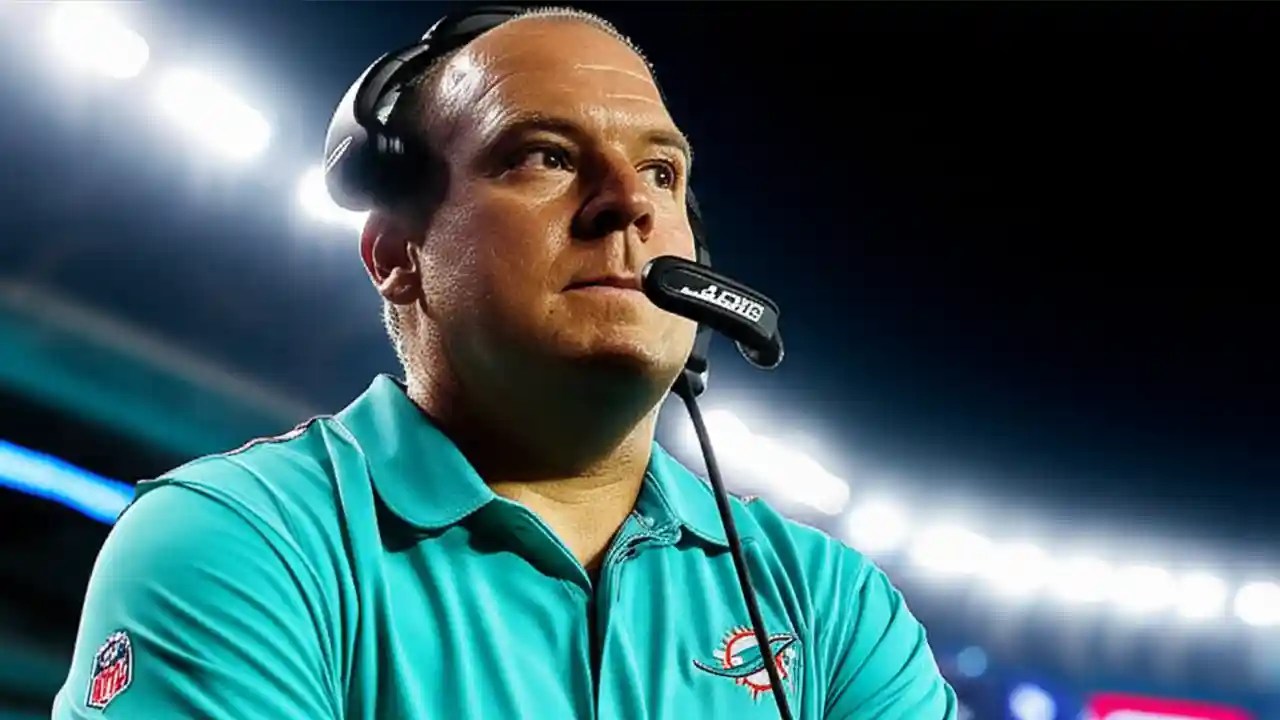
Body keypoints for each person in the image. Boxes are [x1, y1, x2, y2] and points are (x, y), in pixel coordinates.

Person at [52, 6, 957, 719]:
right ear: (397, 256)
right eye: (545, 157)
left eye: (663, 173)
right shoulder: (241, 544)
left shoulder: (835, 606)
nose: (626, 206)